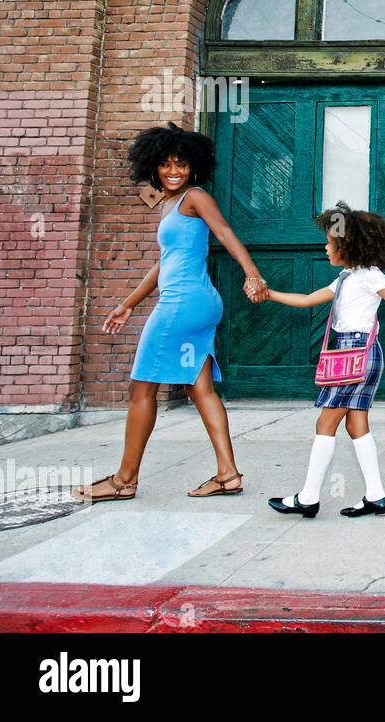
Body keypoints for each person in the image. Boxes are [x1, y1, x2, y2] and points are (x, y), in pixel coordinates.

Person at [75, 123, 267, 502]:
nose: (174, 170)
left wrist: (253, 273)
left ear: (194, 167)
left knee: (142, 388)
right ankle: (228, 474)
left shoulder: (195, 197)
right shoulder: (169, 204)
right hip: (199, 303)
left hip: (181, 305)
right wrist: (129, 303)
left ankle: (124, 480)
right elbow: (165, 263)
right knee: (201, 387)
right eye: (166, 164)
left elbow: (225, 233)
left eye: (181, 164)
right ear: (154, 167)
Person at [264, 202, 385, 519]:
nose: (325, 247)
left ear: (347, 245)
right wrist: (270, 294)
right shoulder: (346, 278)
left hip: (355, 354)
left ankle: (308, 498)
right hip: (359, 355)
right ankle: (376, 496)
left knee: (326, 422)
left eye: (330, 242)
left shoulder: (368, 277)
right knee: (356, 422)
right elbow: (308, 300)